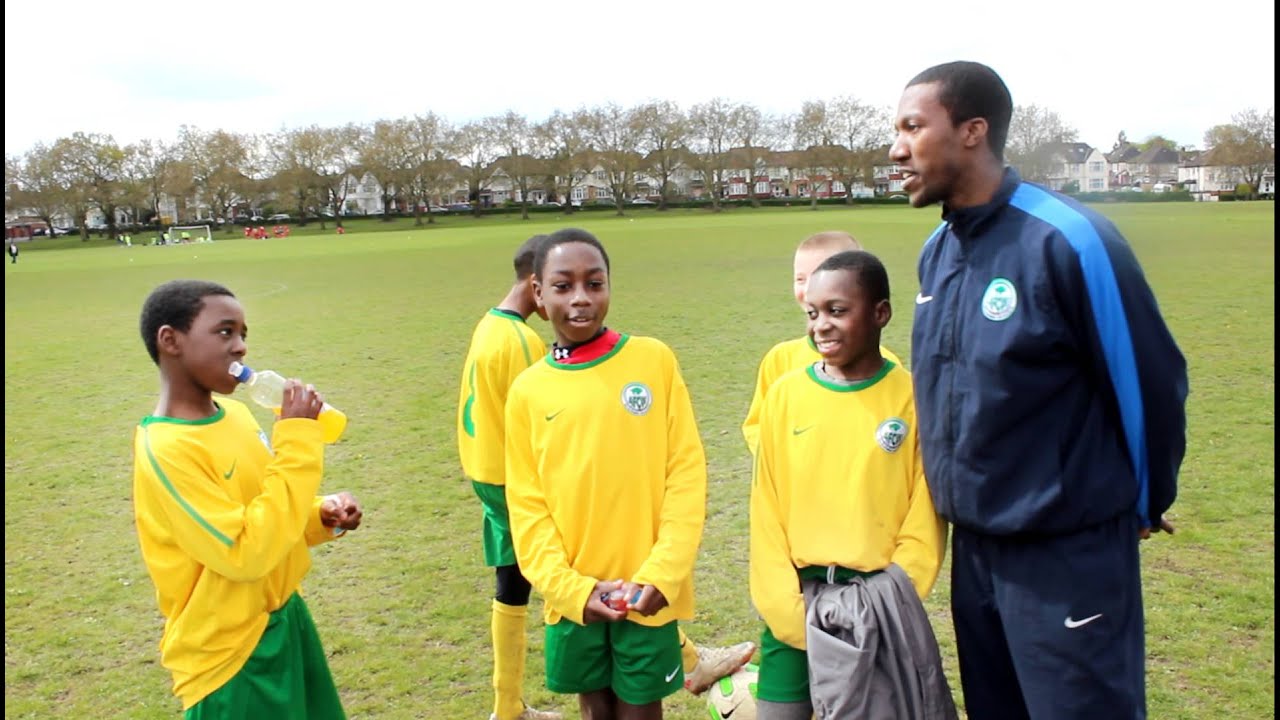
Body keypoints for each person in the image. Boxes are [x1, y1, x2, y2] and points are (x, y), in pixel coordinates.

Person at [891, 60, 1188, 719]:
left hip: (1066, 556)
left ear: (972, 131)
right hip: (976, 555)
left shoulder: (1071, 240)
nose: (896, 147)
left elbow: (1150, 382)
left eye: (913, 126)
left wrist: (1143, 500)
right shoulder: (938, 250)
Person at [131, 279, 364, 719]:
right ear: (170, 340)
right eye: (224, 332)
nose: (239, 347)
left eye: (243, 335)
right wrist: (297, 440)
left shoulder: (236, 414)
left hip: (286, 619)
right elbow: (244, 551)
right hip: (231, 657)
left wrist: (321, 515)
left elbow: (264, 513)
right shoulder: (167, 449)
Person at [504, 228, 707, 720]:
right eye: (563, 285)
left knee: (641, 711)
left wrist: (663, 572)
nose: (580, 299)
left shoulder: (652, 360)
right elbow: (527, 508)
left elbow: (685, 473)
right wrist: (570, 589)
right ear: (538, 293)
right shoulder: (528, 391)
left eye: (594, 284)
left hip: (646, 592)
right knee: (595, 710)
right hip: (572, 597)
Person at [749, 250, 950, 720]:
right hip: (797, 604)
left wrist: (892, 596)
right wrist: (789, 614)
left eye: (837, 311)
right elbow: (767, 510)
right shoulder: (786, 395)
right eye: (813, 314)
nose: (821, 325)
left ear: (880, 312)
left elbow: (925, 517)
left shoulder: (913, 397)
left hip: (878, 609)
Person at [457, 234, 561, 720]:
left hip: (486, 470)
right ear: (536, 285)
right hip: (512, 479)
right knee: (585, 563)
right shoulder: (522, 340)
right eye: (557, 286)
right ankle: (688, 660)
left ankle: (506, 706)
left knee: (514, 578)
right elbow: (544, 422)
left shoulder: (489, 324)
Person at [741, 231, 901, 454]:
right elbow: (757, 425)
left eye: (818, 277)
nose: (808, 289)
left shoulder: (886, 365)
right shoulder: (780, 359)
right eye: (800, 279)